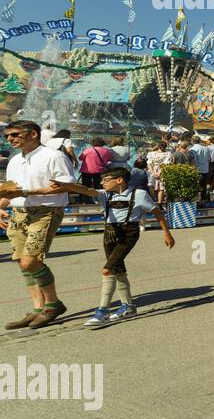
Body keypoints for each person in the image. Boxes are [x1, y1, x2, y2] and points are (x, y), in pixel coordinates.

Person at [51, 167, 175, 326]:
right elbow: (86, 190)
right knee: (118, 270)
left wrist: (166, 233)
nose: (102, 183)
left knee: (107, 269)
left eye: (105, 180)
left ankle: (102, 311)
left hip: (128, 233)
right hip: (109, 233)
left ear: (119, 180)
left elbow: (157, 213)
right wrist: (66, 185)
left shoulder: (139, 194)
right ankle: (128, 306)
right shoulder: (104, 195)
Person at [0, 120, 75, 329]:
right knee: (21, 262)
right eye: (7, 136)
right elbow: (11, 191)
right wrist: (2, 204)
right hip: (19, 213)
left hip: (45, 212)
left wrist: (26, 193)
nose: (9, 139)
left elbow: (67, 186)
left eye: (14, 134)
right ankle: (37, 308)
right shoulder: (15, 160)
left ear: (33, 134)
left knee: (30, 261)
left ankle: (53, 304)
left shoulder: (54, 156)